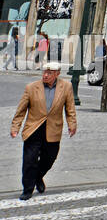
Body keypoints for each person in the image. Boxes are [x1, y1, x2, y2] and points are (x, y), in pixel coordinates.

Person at [11, 62, 77, 200]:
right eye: (44, 72)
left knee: (49, 159)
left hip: (53, 129)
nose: (45, 75)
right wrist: (15, 127)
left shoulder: (66, 87)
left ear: (57, 74)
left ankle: (38, 176)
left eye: (49, 73)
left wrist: (72, 124)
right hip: (34, 128)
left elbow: (70, 108)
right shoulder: (31, 88)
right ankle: (27, 189)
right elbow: (21, 110)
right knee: (29, 160)